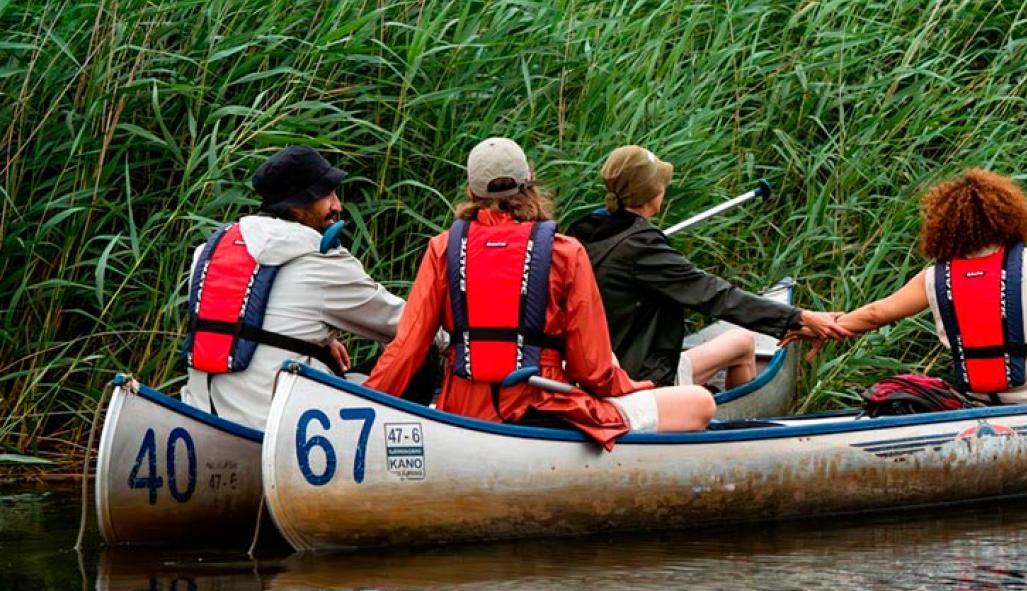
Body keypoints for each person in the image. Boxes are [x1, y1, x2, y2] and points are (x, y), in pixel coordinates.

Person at [364, 138, 714, 448]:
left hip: (463, 413)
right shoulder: (565, 252)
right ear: (529, 182)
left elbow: (407, 349)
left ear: (471, 192)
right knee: (699, 403)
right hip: (544, 409)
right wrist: (639, 388)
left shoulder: (442, 250)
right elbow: (593, 371)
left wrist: (364, 402)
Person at [789, 168, 1027, 403]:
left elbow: (874, 314)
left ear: (945, 227)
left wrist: (819, 327)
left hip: (980, 399)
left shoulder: (933, 277)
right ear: (1008, 214)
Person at [566, 145, 851, 389]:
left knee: (739, 342)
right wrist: (798, 317)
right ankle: (736, 424)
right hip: (635, 380)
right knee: (743, 345)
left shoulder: (583, 232)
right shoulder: (641, 247)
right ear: (654, 194)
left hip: (591, 368)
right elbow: (715, 295)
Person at [180, 145, 419, 429]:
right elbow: (411, 324)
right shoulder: (322, 260)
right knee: (421, 349)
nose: (337, 206)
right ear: (296, 208)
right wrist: (455, 338)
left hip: (200, 415)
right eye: (326, 195)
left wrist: (319, 339)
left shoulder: (210, 252)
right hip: (275, 429)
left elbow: (250, 320)